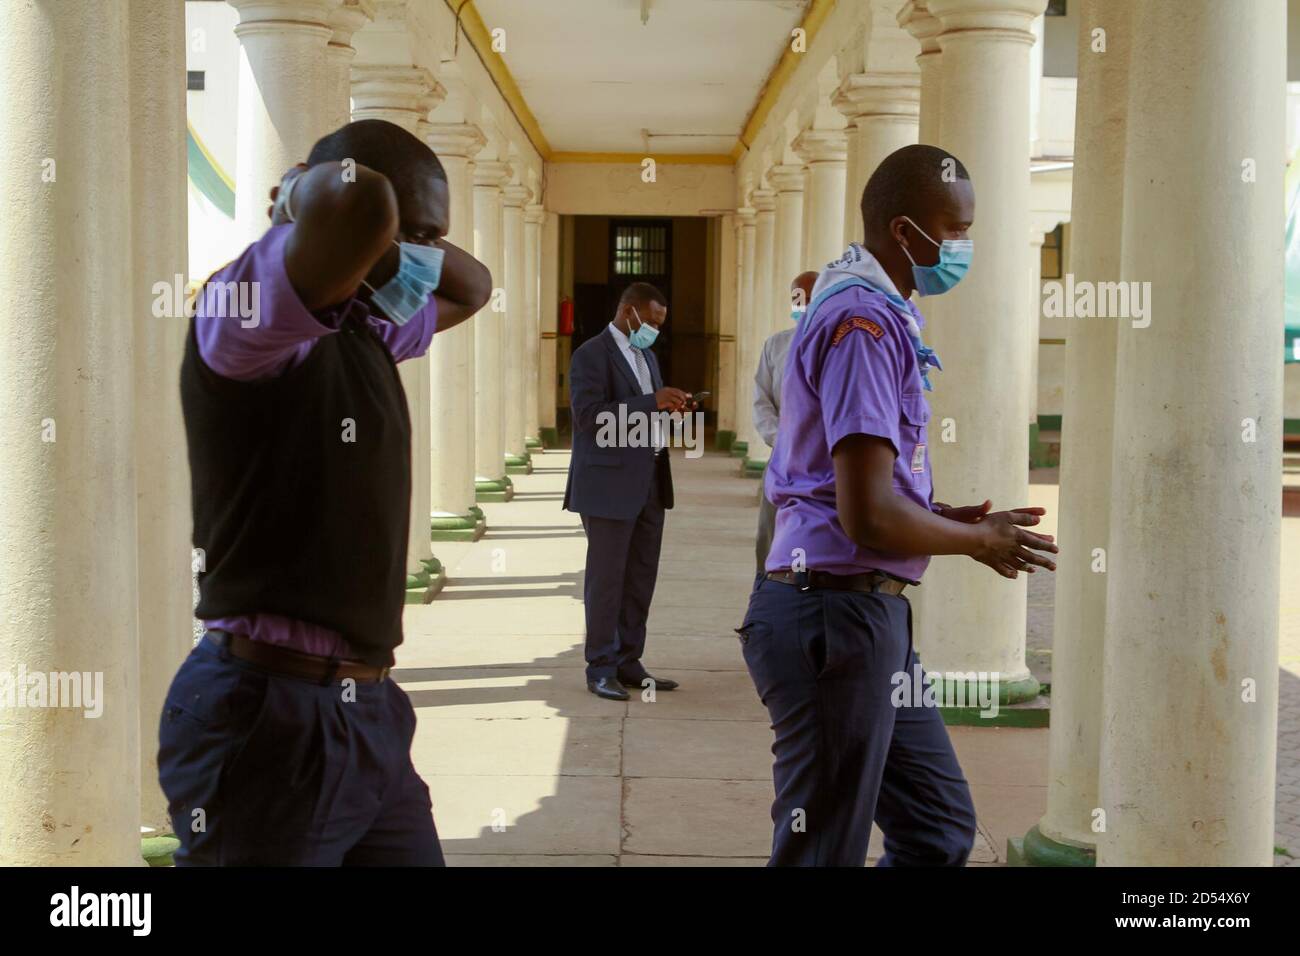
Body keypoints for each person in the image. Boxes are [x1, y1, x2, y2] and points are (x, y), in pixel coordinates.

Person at [160, 119, 493, 865]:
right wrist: (311, 190)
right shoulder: (245, 312)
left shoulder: (368, 327)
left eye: (427, 238)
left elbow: (474, 286)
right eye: (400, 235)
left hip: (365, 710)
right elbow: (359, 206)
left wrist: (411, 242)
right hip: (268, 715)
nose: (414, 255)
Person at [738, 143, 1059, 867]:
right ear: (906, 232)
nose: (963, 247)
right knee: (822, 850)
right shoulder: (864, 325)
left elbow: (860, 487)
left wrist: (948, 518)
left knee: (938, 829)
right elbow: (868, 518)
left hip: (865, 614)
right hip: (833, 618)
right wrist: (980, 542)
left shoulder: (879, 311)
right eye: (955, 230)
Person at [563, 283, 696, 700]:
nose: (656, 330)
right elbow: (589, 419)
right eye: (652, 322)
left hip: (651, 481)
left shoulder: (647, 356)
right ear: (629, 312)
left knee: (640, 578)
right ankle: (599, 668)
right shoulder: (590, 355)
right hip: (607, 485)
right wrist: (651, 402)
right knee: (607, 580)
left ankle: (629, 661)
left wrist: (671, 408)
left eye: (660, 324)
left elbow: (644, 415)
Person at [752, 270, 819, 577]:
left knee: (811, 542)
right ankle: (764, 603)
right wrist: (784, 439)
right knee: (768, 538)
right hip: (782, 458)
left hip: (823, 466)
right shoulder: (776, 345)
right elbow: (762, 402)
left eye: (808, 296)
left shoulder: (842, 345)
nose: (801, 303)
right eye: (796, 297)